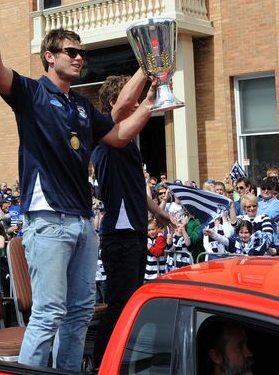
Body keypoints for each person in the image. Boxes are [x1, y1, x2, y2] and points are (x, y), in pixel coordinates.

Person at [0, 0, 156, 370]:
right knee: (49, 312)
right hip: (48, 220)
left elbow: (119, 135)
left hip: (82, 223)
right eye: (71, 52)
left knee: (80, 313)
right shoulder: (31, 94)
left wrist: (152, 102)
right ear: (48, 58)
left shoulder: (83, 108)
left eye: (82, 53)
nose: (79, 58)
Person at [91, 74, 172, 367]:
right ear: (116, 103)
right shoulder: (107, 140)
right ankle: (104, 364)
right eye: (133, 101)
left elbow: (134, 187)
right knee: (119, 307)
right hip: (119, 237)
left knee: (131, 305)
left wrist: (157, 210)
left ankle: (121, 361)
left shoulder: (128, 143)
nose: (138, 106)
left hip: (134, 232)